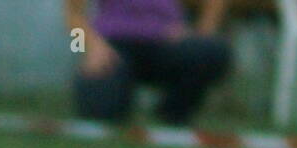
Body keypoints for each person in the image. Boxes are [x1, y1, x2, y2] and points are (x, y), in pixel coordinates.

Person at [66, 0, 232, 126]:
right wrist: (92, 47)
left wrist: (201, 32)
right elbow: (72, 17)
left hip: (166, 43)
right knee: (99, 113)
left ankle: (173, 113)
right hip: (112, 47)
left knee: (211, 51)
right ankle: (116, 99)